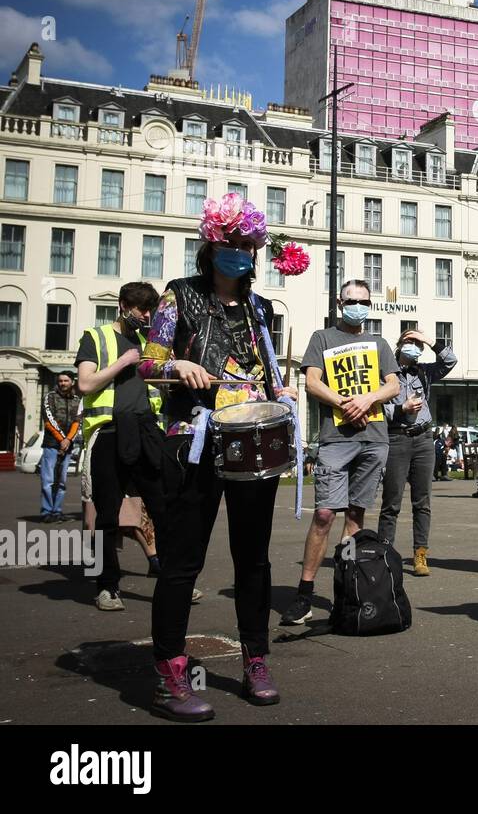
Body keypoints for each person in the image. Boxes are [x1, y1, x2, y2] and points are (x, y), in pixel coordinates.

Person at [138, 196, 304, 720]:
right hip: (193, 439)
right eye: (231, 244)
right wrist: (180, 366)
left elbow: (264, 370)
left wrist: (282, 392)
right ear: (211, 246)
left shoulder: (260, 308)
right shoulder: (177, 298)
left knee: (253, 559)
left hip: (248, 440)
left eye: (247, 246)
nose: (240, 253)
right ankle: (169, 674)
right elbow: (147, 364)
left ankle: (256, 659)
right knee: (183, 562)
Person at [281, 280, 400, 626]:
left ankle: (345, 591)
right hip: (336, 439)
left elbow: (392, 384)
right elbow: (313, 381)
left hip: (374, 438)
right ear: (340, 302)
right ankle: (304, 593)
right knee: (323, 515)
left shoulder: (379, 343)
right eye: (352, 301)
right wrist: (345, 403)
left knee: (355, 518)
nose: (358, 306)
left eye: (364, 301)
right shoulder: (323, 338)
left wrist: (368, 399)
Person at [76, 282, 168, 614]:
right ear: (122, 305)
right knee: (107, 515)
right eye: (141, 309)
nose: (146, 316)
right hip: (110, 433)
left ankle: (175, 580)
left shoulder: (149, 343)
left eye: (150, 310)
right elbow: (85, 383)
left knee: (163, 509)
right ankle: (107, 586)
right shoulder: (96, 337)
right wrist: (123, 361)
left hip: (145, 433)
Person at [378, 329, 458, 576]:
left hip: (423, 438)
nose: (414, 347)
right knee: (391, 502)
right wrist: (401, 408)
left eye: (417, 344)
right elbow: (378, 409)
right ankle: (384, 555)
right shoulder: (384, 374)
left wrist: (430, 341)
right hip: (397, 437)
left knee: (422, 502)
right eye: (409, 343)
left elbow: (450, 361)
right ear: (399, 345)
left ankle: (420, 554)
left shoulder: (423, 371)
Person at [39, 371, 80, 523]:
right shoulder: (49, 397)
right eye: (61, 381)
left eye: (66, 380)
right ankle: (46, 511)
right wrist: (62, 439)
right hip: (51, 444)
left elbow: (77, 421)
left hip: (67, 445)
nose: (63, 383)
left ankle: (57, 511)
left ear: (72, 382)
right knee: (48, 480)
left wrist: (68, 440)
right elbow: (49, 420)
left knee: (61, 481)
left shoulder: (77, 400)